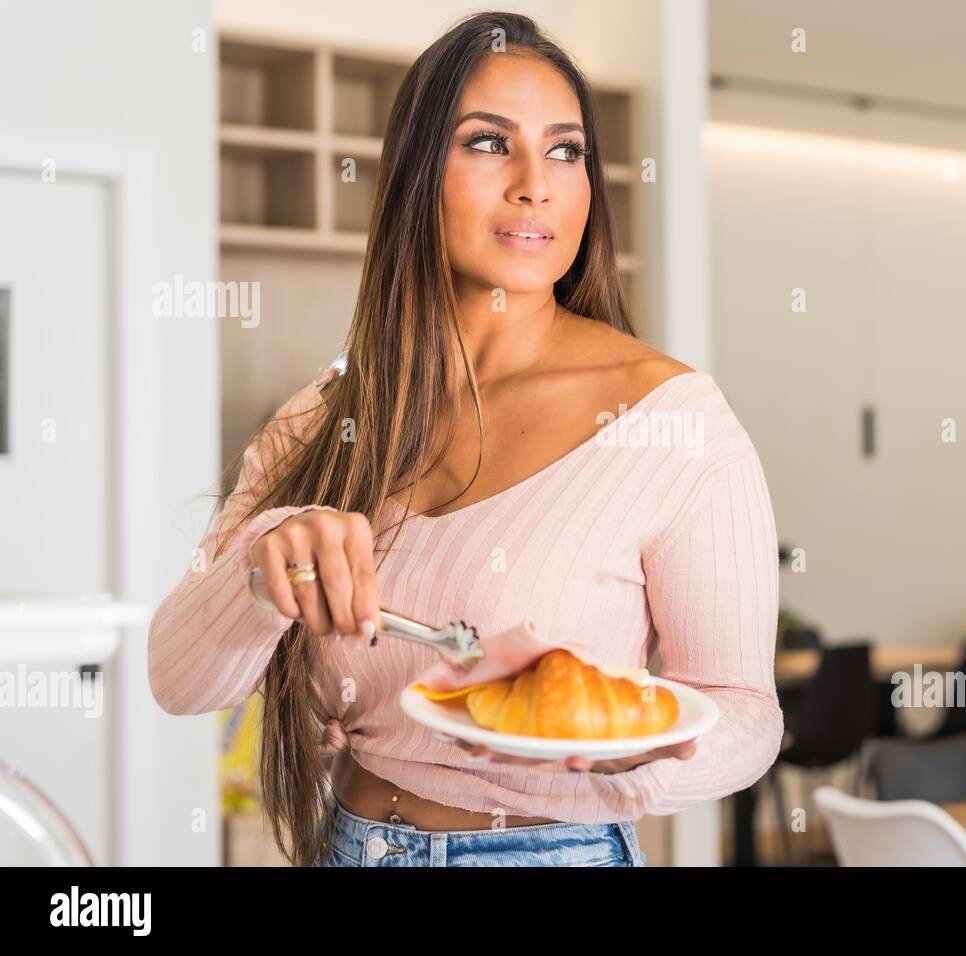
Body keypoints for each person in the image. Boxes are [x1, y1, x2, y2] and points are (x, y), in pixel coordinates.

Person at [148, 10, 782, 867]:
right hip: (350, 845)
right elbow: (179, 683)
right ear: (415, 172)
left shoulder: (672, 423)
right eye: (489, 143)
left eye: (566, 150)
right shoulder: (323, 417)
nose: (536, 184)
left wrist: (642, 753)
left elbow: (745, 711)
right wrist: (266, 566)